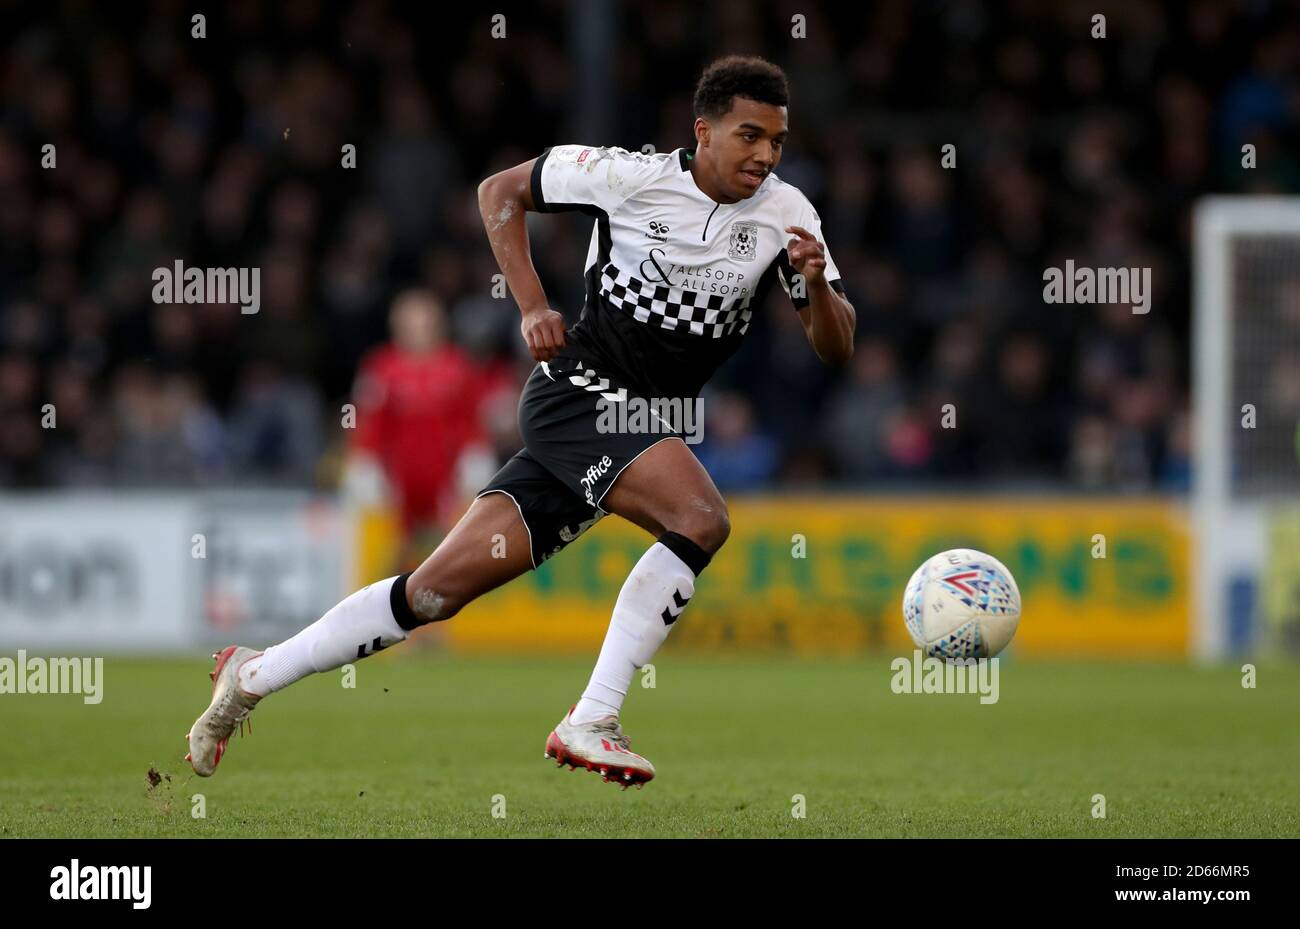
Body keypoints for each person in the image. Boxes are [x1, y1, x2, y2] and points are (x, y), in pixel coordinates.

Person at [186, 55, 855, 789]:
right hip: (580, 392)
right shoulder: (628, 176)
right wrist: (533, 304)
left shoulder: (788, 214)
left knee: (432, 593)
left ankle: (252, 673)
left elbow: (836, 344)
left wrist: (817, 285)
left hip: (637, 424)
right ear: (704, 130)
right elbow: (498, 190)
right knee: (700, 516)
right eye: (749, 135)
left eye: (778, 142)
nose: (765, 155)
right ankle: (593, 717)